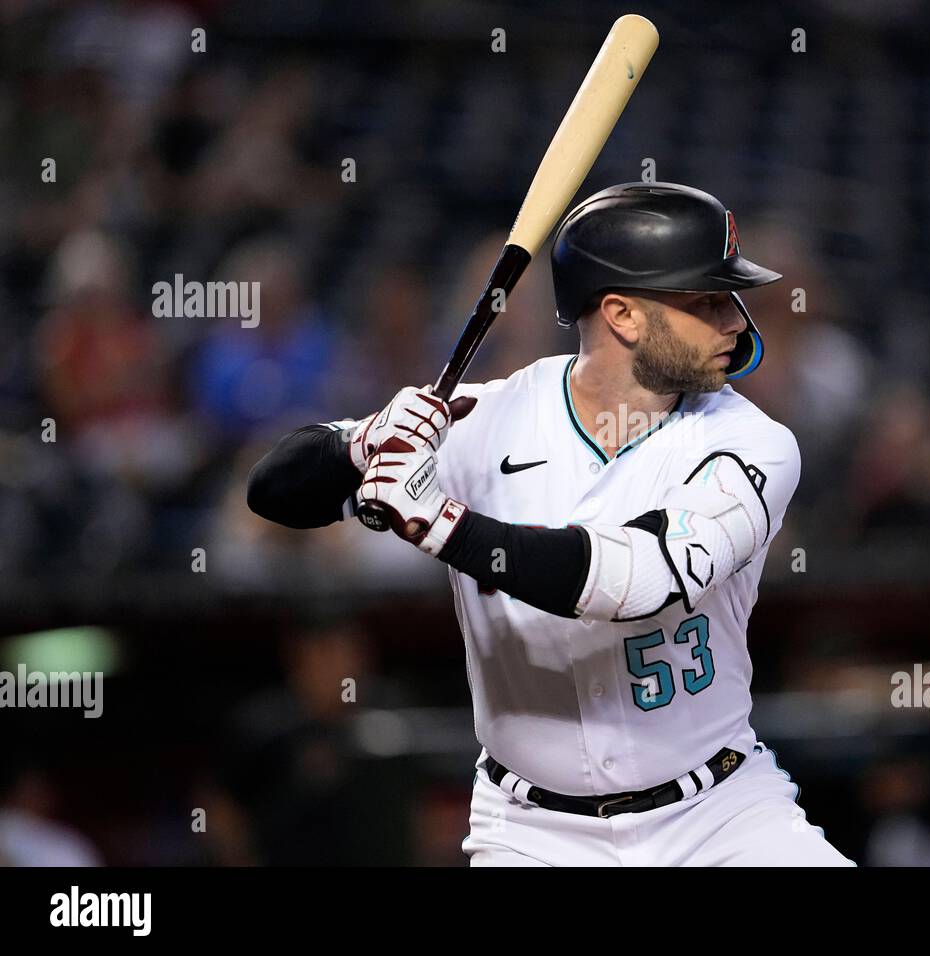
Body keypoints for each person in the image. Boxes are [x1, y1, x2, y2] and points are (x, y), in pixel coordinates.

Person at [248, 182, 853, 866]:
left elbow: (634, 581)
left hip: (718, 816)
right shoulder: (490, 417)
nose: (737, 322)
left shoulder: (754, 442)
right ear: (622, 313)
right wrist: (357, 446)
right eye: (707, 301)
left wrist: (446, 527)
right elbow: (274, 491)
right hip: (533, 834)